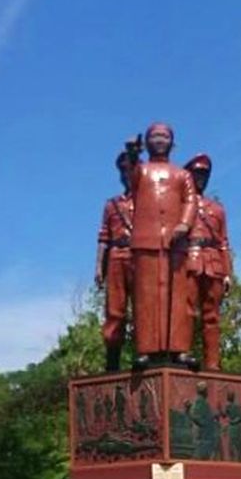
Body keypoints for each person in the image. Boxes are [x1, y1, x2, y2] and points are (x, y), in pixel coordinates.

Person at [123, 123, 198, 368]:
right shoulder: (141, 172)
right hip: (146, 240)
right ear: (147, 141)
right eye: (154, 136)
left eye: (164, 136)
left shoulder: (182, 175)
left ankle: (179, 349)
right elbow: (132, 177)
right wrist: (134, 154)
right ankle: (145, 349)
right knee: (145, 298)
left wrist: (184, 225)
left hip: (175, 244)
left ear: (172, 142)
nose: (159, 140)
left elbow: (190, 201)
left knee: (178, 298)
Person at [184, 153, 233, 371]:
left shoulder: (217, 209)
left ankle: (213, 364)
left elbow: (223, 242)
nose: (201, 177)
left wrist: (228, 272)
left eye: (205, 174)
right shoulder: (181, 205)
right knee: (187, 311)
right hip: (190, 260)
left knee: (212, 316)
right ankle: (183, 356)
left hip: (213, 264)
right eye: (197, 173)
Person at [95, 153, 135, 371]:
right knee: (115, 311)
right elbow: (103, 237)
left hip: (139, 256)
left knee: (143, 310)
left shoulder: (147, 200)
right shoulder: (112, 205)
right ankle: (112, 363)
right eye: (122, 171)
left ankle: (144, 357)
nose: (126, 175)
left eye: (129, 169)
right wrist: (99, 267)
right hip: (116, 256)